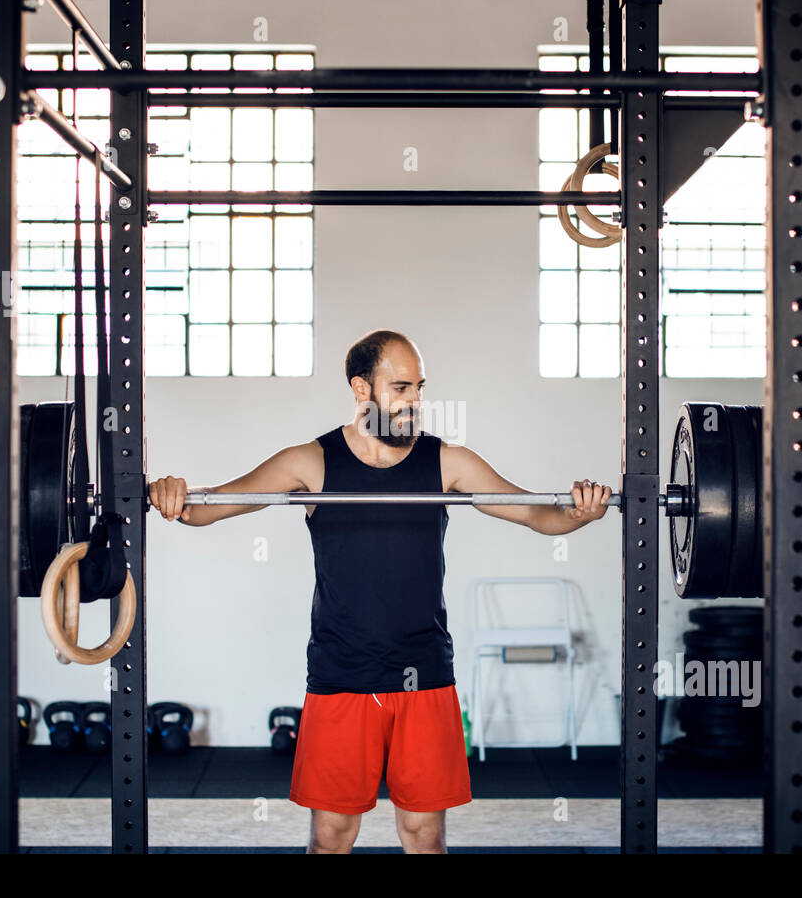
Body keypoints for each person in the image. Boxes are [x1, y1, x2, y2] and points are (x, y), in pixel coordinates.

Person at [148, 329, 612, 853]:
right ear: (361, 389)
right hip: (341, 673)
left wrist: (580, 513)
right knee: (331, 837)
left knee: (424, 835)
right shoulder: (312, 462)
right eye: (401, 388)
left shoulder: (446, 462)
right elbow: (209, 506)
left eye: (419, 388)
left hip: (425, 673)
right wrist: (171, 495)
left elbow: (534, 512)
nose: (414, 401)